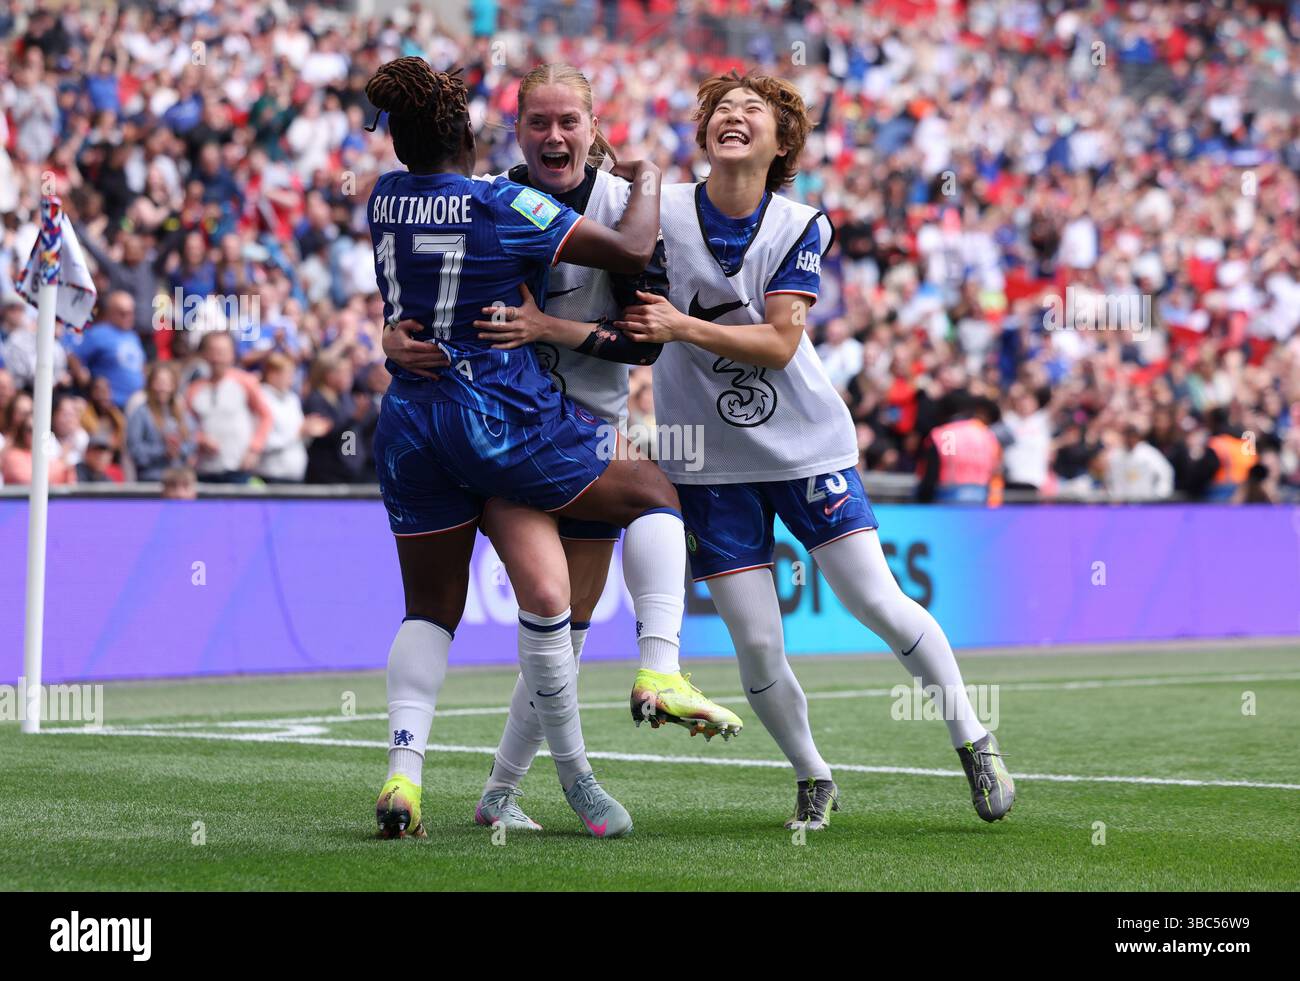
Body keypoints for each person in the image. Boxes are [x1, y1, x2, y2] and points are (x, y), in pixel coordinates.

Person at [615, 71, 1016, 826]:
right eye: (720, 111)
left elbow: (776, 342)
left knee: (878, 603)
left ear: (781, 142)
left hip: (806, 447)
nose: (732, 116)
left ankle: (970, 733)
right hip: (706, 461)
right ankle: (812, 771)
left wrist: (679, 327)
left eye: (750, 111)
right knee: (758, 646)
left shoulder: (801, 222)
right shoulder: (658, 212)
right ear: (703, 135)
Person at [383, 63, 742, 832]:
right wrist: (392, 333)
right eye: (538, 122)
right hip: (517, 430)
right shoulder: (496, 193)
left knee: (560, 623)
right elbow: (428, 287)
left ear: (590, 125)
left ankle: (495, 791)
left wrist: (554, 329)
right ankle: (642, 692)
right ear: (513, 129)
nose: (553, 135)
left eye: (567, 122)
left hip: (566, 423)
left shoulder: (618, 203)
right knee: (567, 592)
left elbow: (645, 343)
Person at [184, 330, 272, 483]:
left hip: (238, 466)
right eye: (213, 352)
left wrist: (254, 449)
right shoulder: (194, 389)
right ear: (204, 354)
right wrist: (200, 439)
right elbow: (186, 425)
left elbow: (266, 416)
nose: (217, 358)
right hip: (205, 468)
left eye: (223, 352)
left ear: (232, 354)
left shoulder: (246, 382)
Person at [128, 362, 197, 481]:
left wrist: (179, 450)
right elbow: (135, 450)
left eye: (167, 383)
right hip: (151, 480)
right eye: (158, 383)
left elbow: (192, 442)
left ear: (174, 385)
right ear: (150, 385)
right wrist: (162, 452)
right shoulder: (141, 413)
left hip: (178, 480)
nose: (162, 388)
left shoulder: (182, 413)